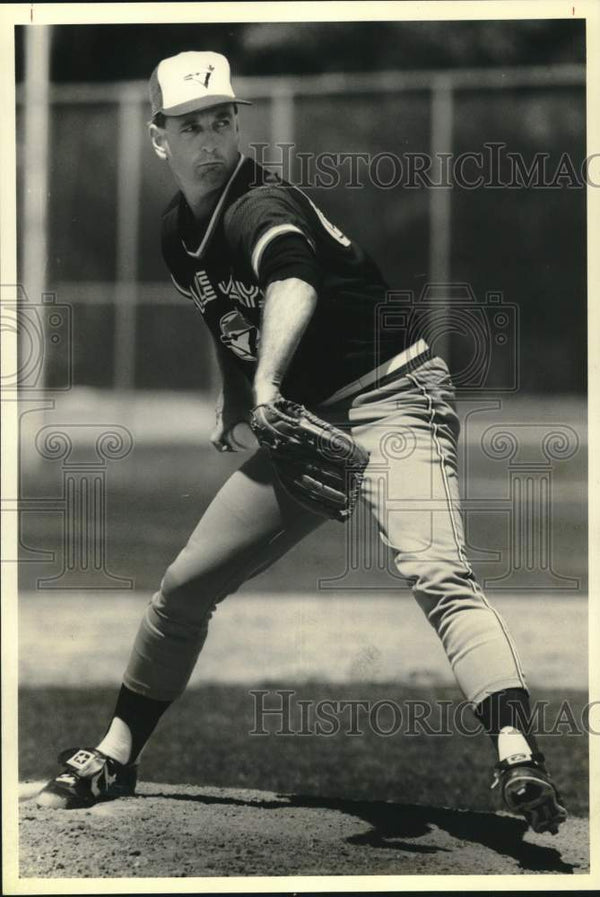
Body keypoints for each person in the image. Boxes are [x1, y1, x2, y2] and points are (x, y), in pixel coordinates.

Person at [37, 51, 566, 835]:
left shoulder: (259, 204)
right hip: (306, 420)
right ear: (159, 138)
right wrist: (236, 394)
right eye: (191, 126)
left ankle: (519, 752)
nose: (210, 139)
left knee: (436, 569)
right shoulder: (179, 234)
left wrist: (266, 385)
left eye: (222, 120)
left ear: (237, 125)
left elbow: (292, 280)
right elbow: (225, 314)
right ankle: (116, 753)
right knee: (183, 586)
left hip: (397, 396)